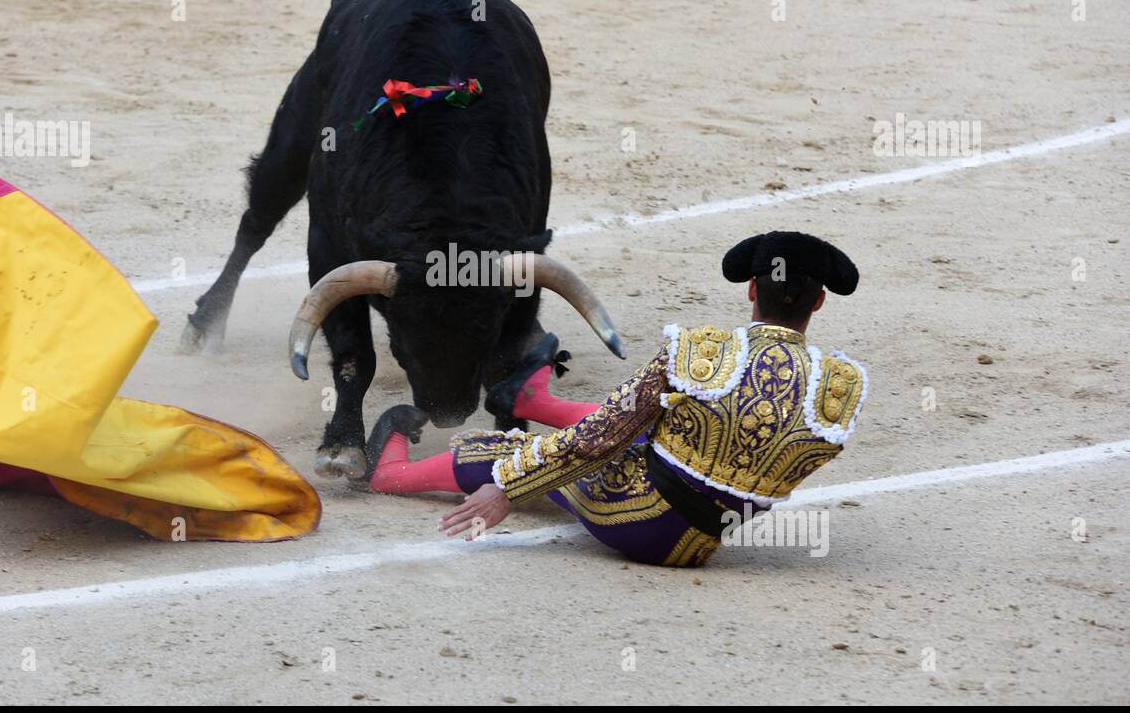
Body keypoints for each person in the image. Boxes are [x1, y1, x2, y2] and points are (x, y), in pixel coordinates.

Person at [360, 231, 868, 567]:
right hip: (703, 543)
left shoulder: (701, 352)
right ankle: (535, 402)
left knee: (524, 454)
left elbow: (600, 438)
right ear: (820, 301)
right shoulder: (840, 386)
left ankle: (391, 475)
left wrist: (509, 489)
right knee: (669, 420)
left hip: (639, 521)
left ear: (752, 289)